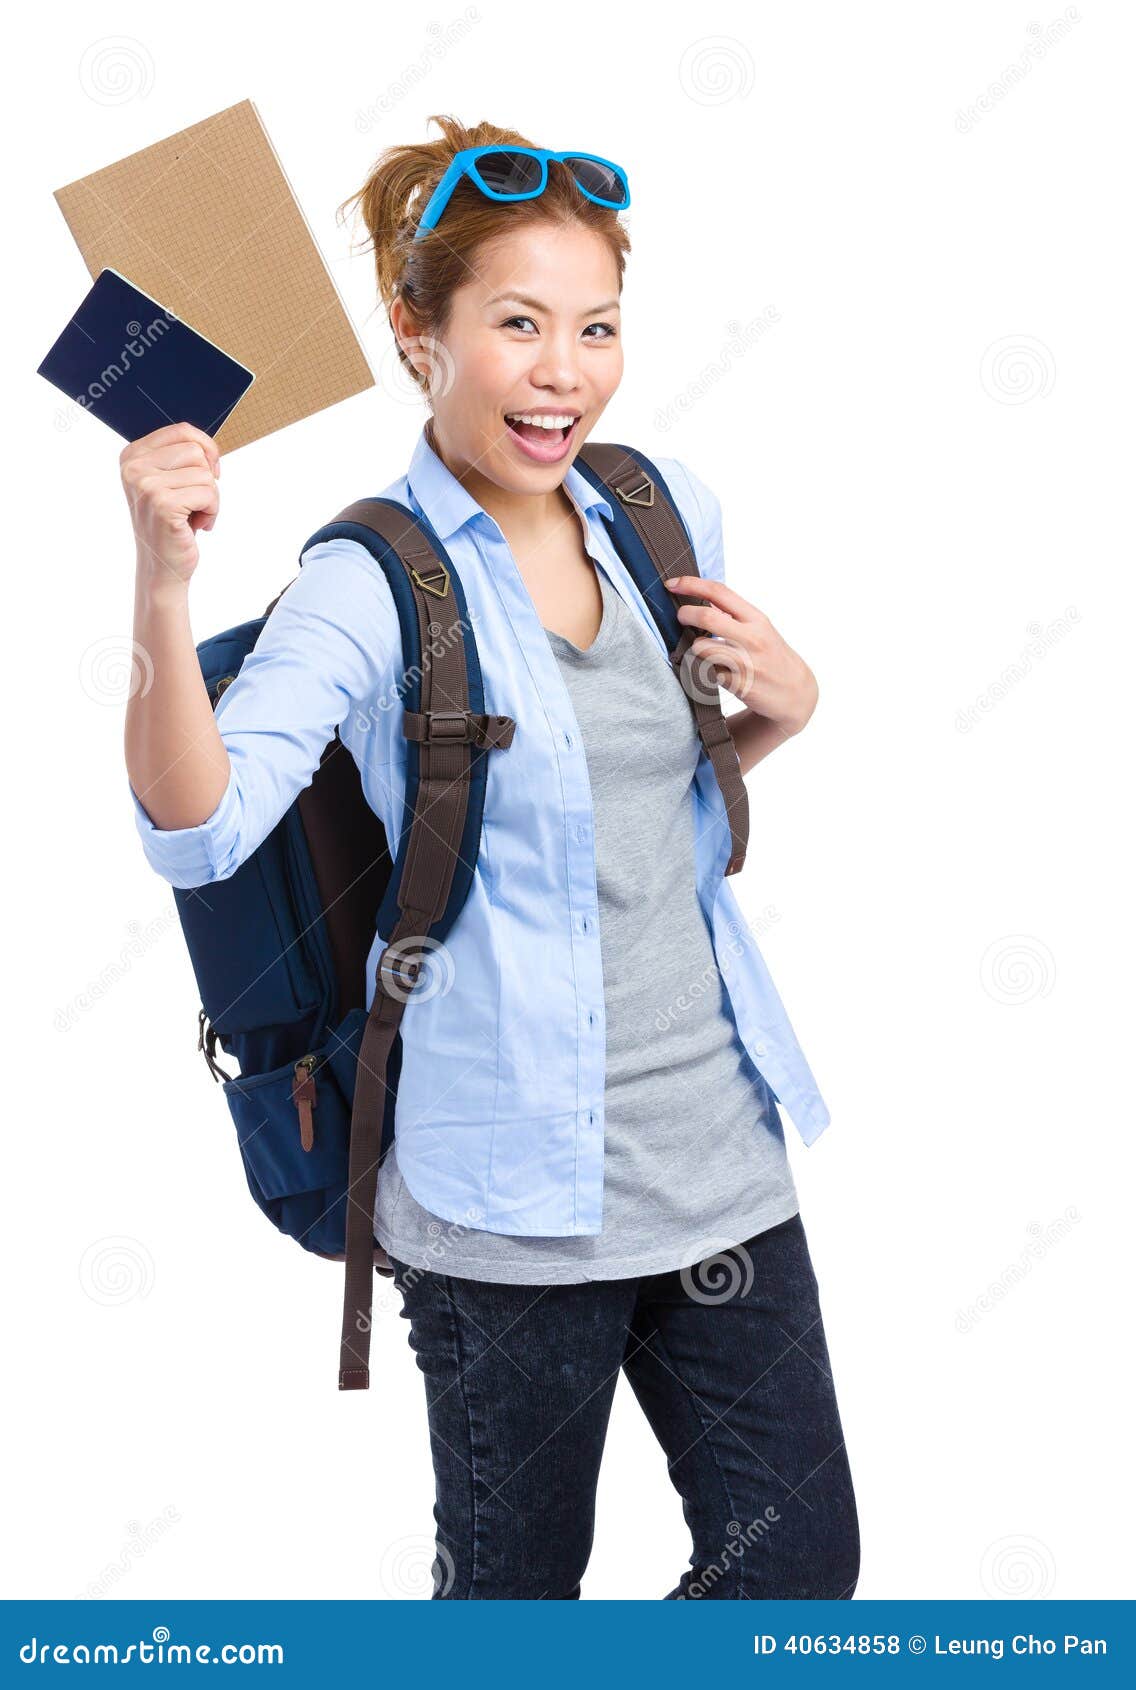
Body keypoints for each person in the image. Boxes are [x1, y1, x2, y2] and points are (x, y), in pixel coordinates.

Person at [123, 115, 860, 1601]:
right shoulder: (367, 580)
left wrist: (776, 721)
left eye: (595, 326)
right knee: (514, 1603)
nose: (564, 370)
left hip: (719, 1162)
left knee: (801, 1573)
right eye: (517, 324)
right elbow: (196, 822)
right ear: (418, 331)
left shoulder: (656, 510)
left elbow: (646, 837)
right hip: (503, 1205)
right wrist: (163, 577)